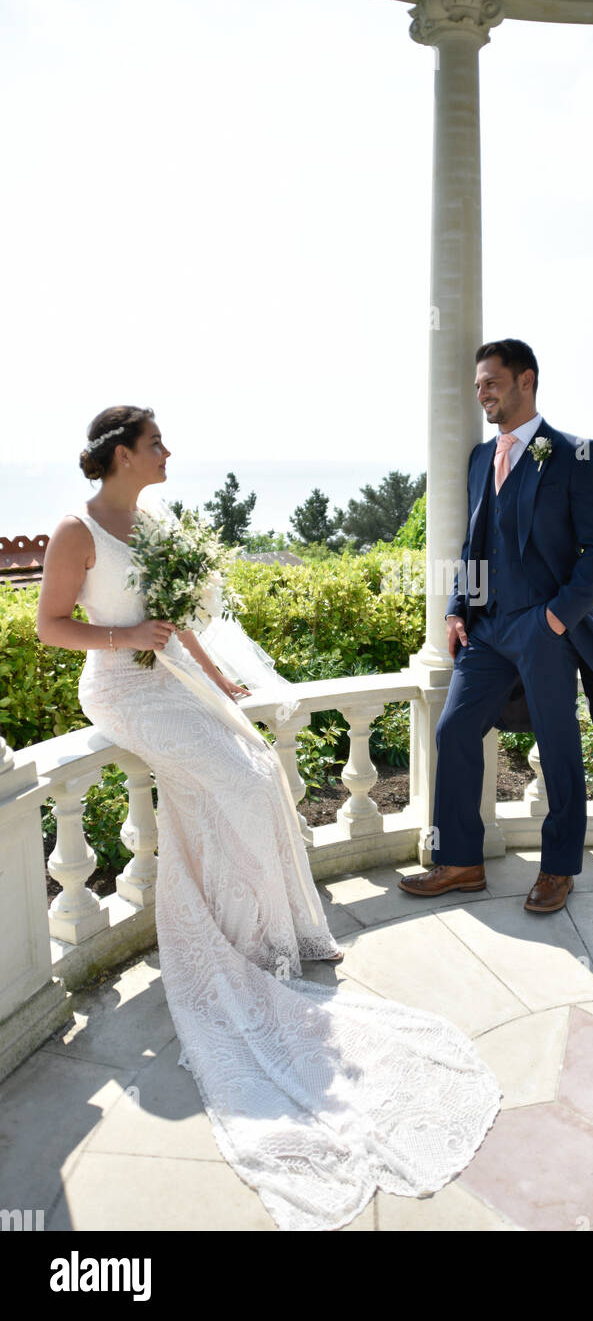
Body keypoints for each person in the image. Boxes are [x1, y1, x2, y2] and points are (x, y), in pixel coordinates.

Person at [36, 405, 501, 1231]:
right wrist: (125, 637)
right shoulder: (78, 530)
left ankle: (273, 929)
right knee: (241, 788)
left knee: (256, 769)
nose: (168, 452)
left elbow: (178, 622)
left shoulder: (154, 519)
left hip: (174, 674)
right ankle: (237, 942)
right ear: (120, 454)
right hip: (118, 687)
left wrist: (219, 677)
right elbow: (51, 629)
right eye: (156, 444)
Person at [400, 340, 593, 913]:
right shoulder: (479, 459)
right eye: (478, 385)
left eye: (491, 382)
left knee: (557, 746)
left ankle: (558, 868)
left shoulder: (575, 454)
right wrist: (459, 606)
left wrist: (557, 617)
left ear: (525, 381)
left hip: (545, 628)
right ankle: (460, 861)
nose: (482, 393)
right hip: (486, 629)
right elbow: (474, 541)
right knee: (454, 732)